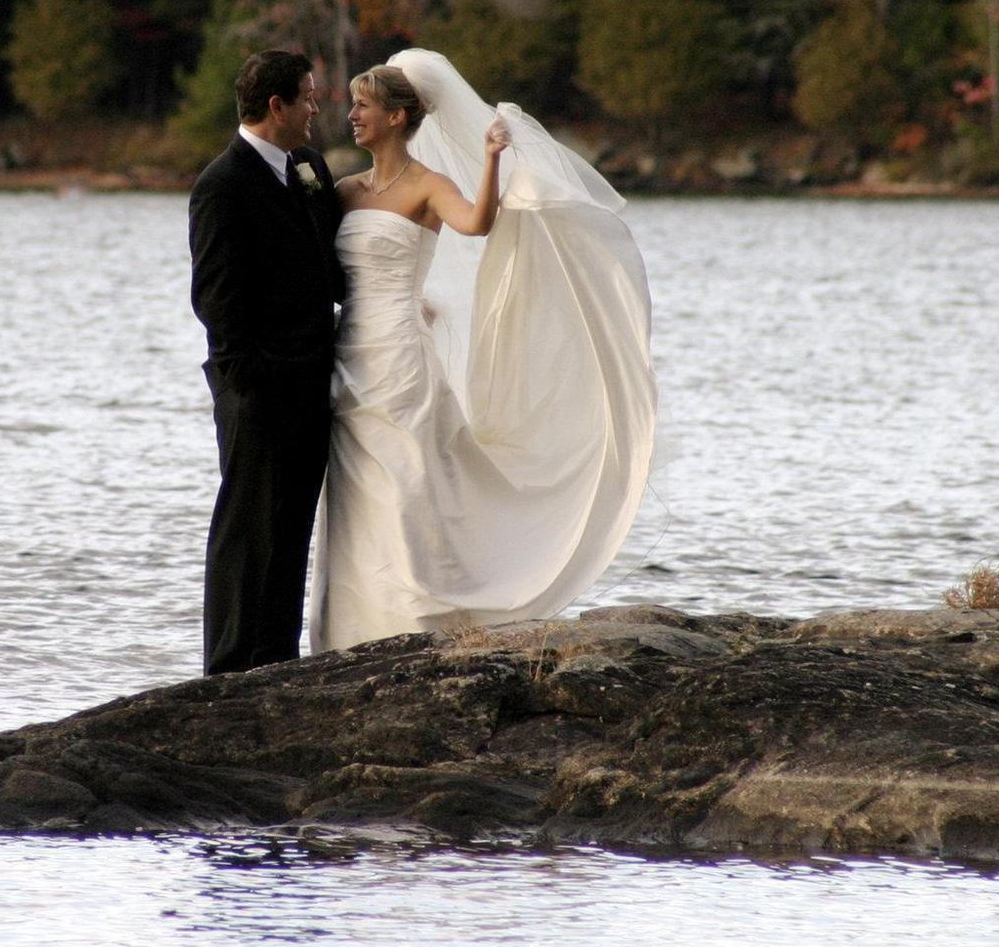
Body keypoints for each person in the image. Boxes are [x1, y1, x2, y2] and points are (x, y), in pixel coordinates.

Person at [309, 50, 657, 652]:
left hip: (400, 358)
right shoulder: (342, 191)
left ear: (396, 117)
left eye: (363, 105)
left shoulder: (427, 186)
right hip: (350, 354)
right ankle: (351, 629)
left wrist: (492, 161)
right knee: (355, 490)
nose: (352, 116)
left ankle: (420, 615)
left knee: (410, 479)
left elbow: (476, 223)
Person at [188, 49, 345, 674]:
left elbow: (328, 264)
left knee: (292, 525)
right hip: (255, 387)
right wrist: (248, 383)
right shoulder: (221, 185)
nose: (316, 108)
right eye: (308, 96)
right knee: (246, 526)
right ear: (276, 105)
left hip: (313, 381)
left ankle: (274, 662)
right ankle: (228, 663)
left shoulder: (308, 166)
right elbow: (216, 299)